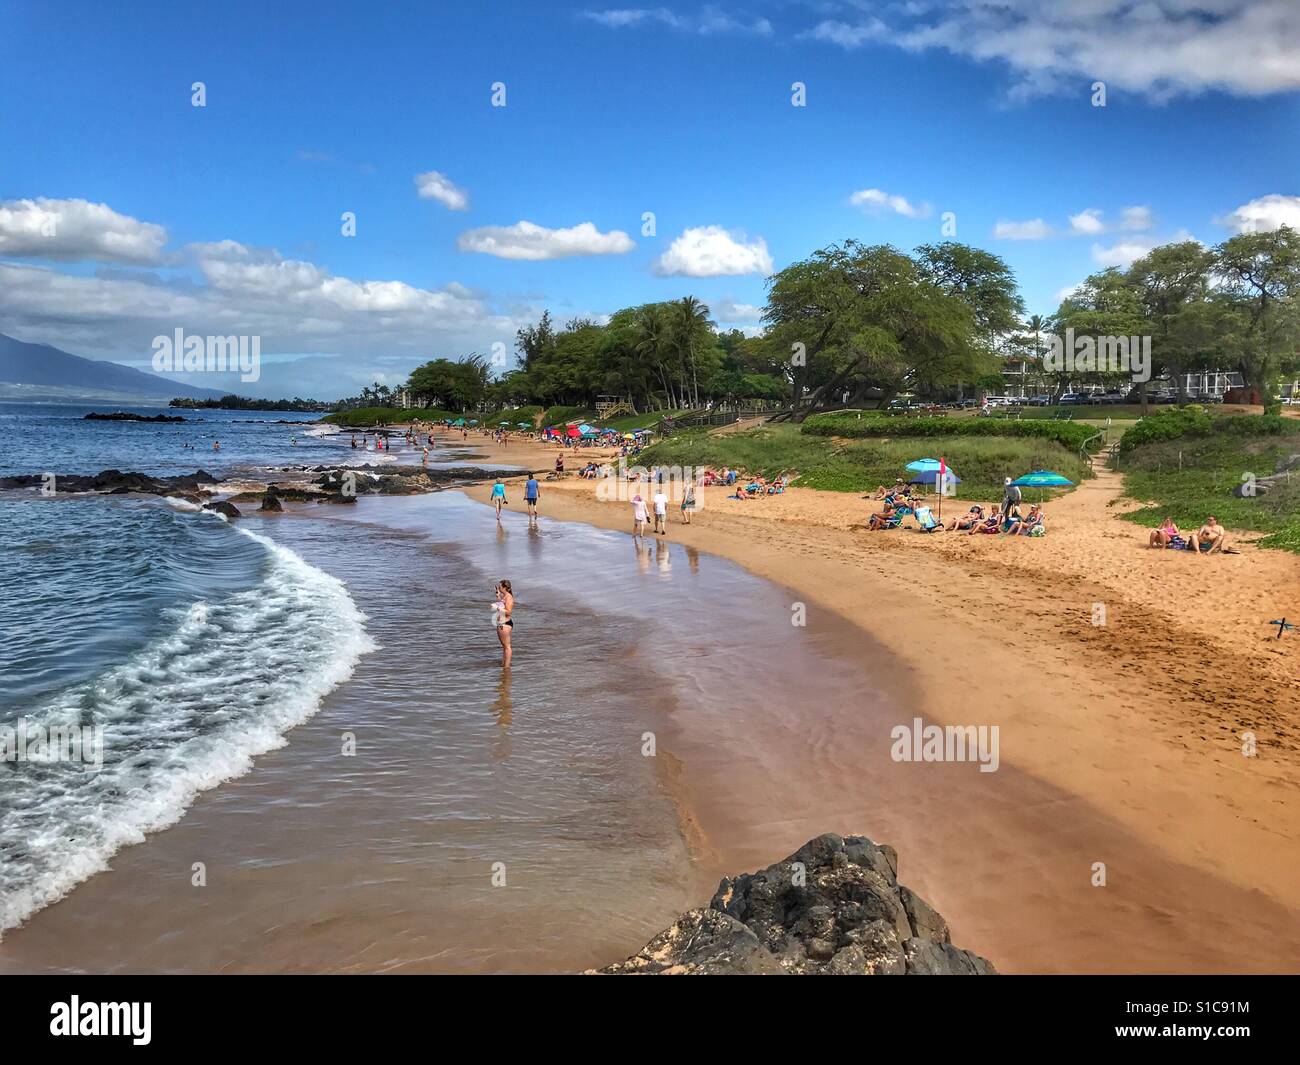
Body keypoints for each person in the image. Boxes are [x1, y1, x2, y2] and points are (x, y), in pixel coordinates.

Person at [493, 580, 514, 668]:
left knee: (507, 647)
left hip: (505, 624)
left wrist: (497, 607)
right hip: (503, 623)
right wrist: (498, 596)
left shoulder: (508, 597)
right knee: (505, 647)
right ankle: (504, 665)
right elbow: (501, 605)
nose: (499, 588)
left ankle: (506, 667)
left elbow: (508, 612)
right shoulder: (504, 596)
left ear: (505, 588)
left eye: (500, 587)